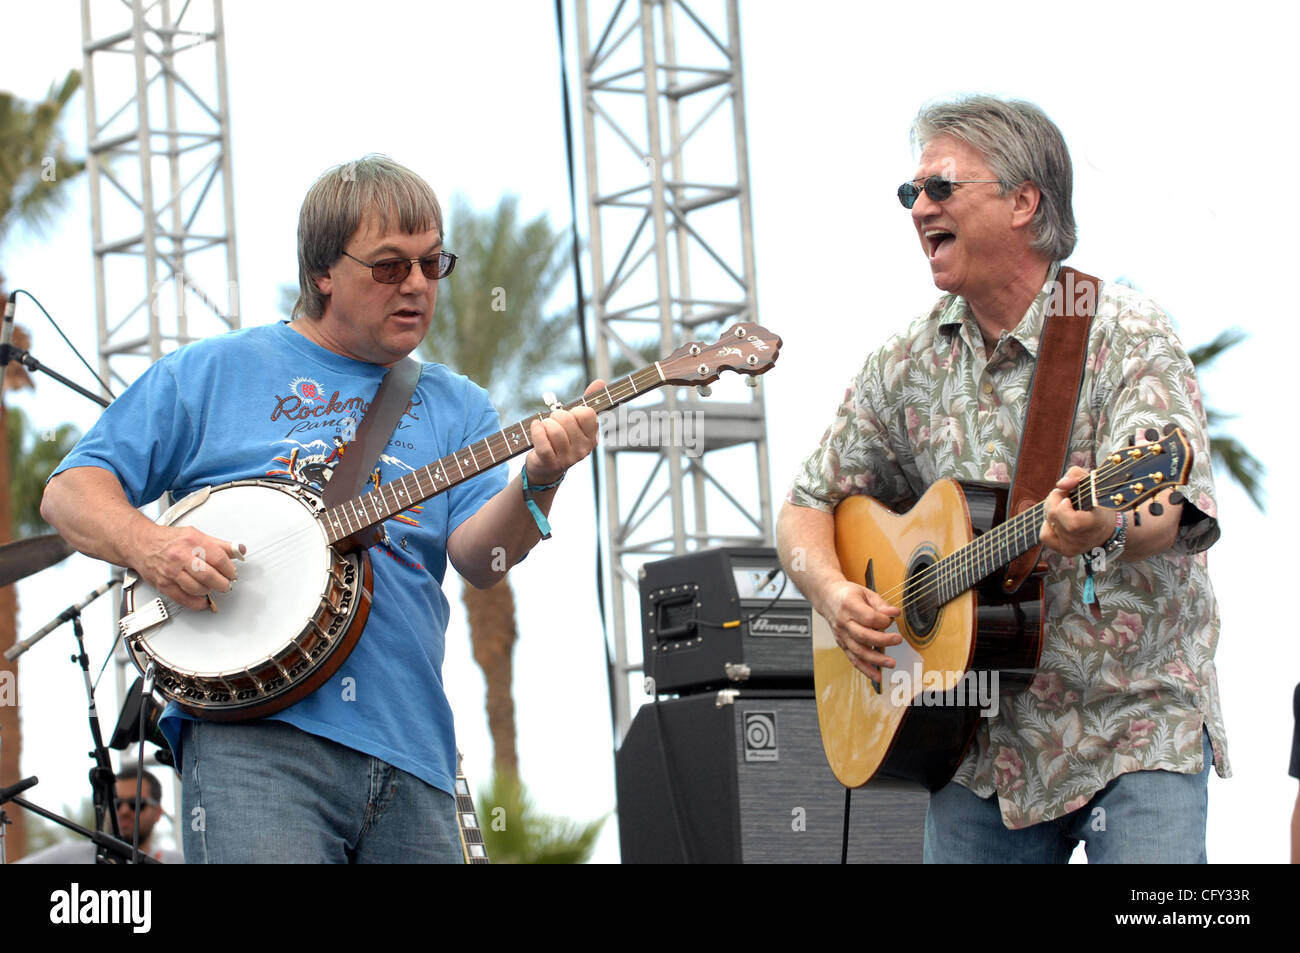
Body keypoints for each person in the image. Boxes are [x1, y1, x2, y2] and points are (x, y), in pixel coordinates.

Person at [40, 156, 600, 863]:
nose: (419, 285)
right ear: (323, 272)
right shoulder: (217, 372)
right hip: (256, 748)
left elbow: (480, 560)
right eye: (391, 266)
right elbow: (70, 489)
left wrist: (542, 477)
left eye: (433, 264)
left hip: (414, 750)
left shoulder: (459, 405)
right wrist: (151, 544)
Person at [777, 96, 1226, 863]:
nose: (918, 208)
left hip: (1134, 723)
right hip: (975, 745)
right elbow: (805, 506)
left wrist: (1107, 524)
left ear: (1025, 202)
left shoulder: (1122, 329)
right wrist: (830, 591)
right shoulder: (905, 362)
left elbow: (1168, 507)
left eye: (940, 188)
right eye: (908, 193)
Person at [18, 769, 183, 864]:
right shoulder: (69, 856)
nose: (124, 811)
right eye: (116, 804)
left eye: (135, 803)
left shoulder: (176, 861)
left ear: (158, 812)